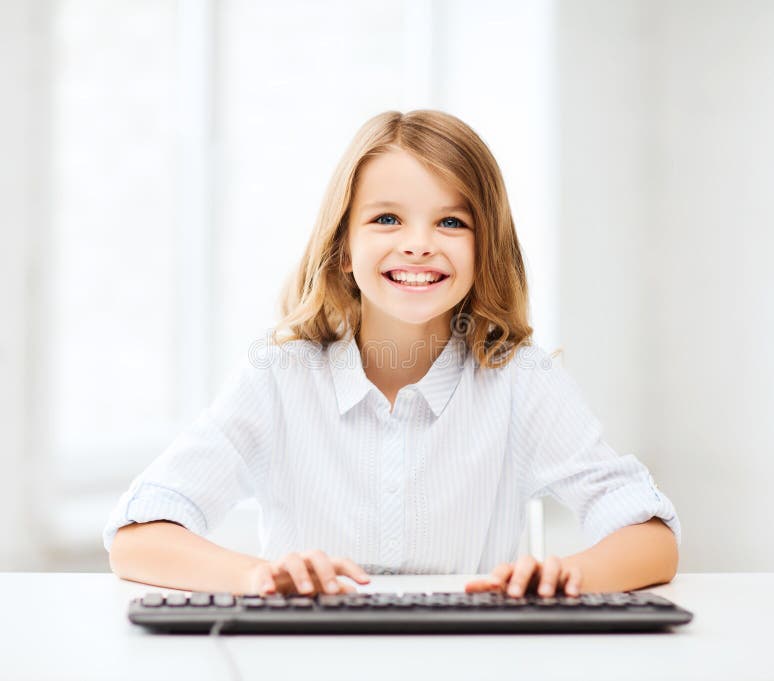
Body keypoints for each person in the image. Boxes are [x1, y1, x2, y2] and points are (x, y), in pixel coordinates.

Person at [104, 109, 681, 599]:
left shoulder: (521, 381)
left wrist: (570, 576)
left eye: (452, 221)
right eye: (386, 218)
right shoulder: (277, 378)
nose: (419, 243)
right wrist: (261, 577)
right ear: (342, 251)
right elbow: (139, 536)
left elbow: (651, 538)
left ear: (485, 252)